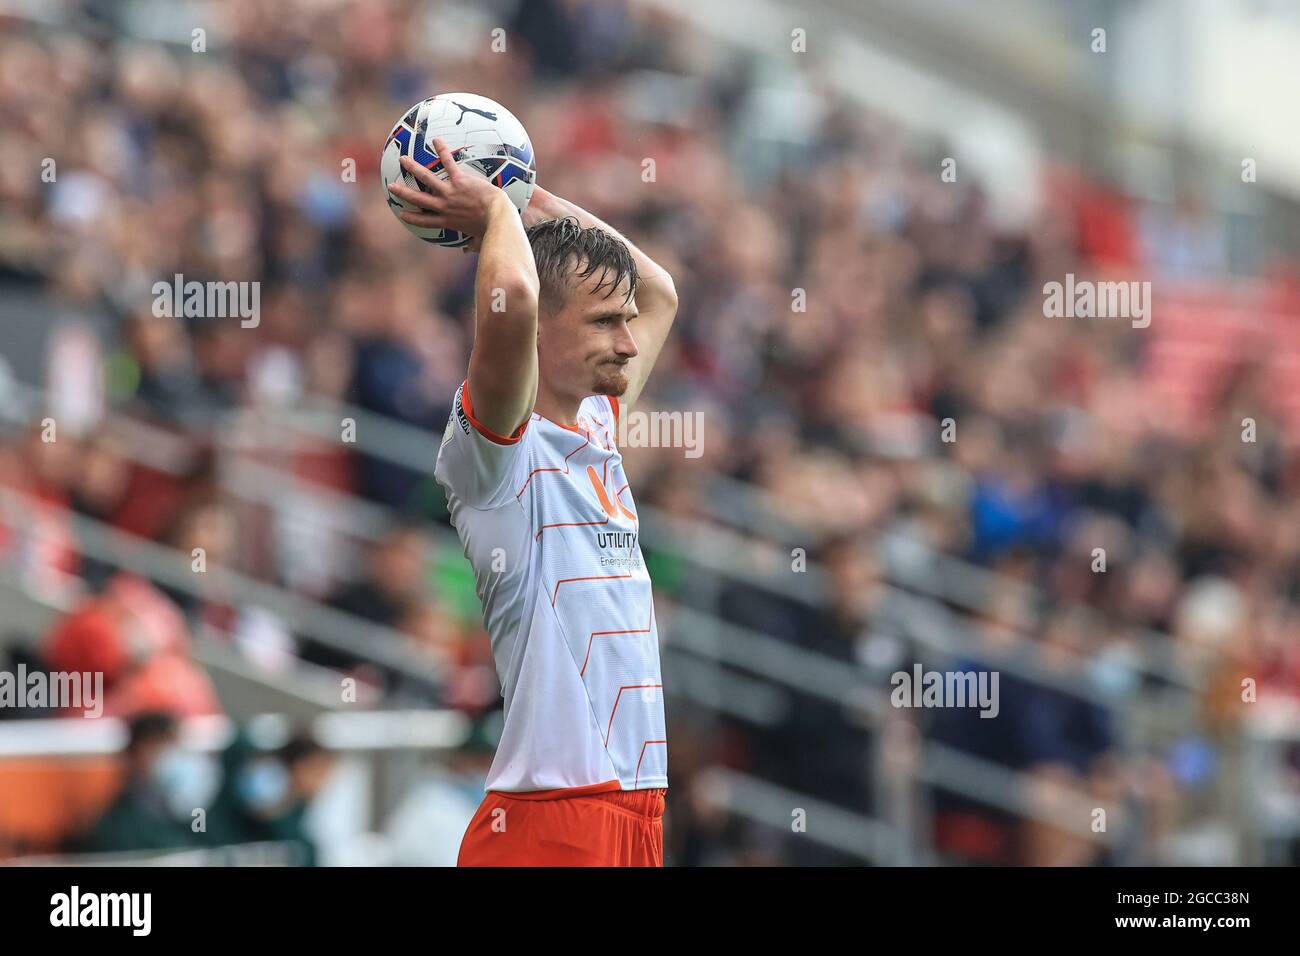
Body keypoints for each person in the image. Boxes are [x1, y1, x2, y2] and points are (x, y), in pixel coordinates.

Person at [388, 138, 678, 866]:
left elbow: (661, 290)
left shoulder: (595, 423)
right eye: (606, 322)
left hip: (634, 808)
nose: (630, 341)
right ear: (543, 334)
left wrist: (527, 198)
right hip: (550, 820)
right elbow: (514, 296)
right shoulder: (495, 453)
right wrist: (492, 213)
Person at [75, 711, 217, 855]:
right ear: (134, 757)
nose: (167, 757)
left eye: (173, 745)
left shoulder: (204, 811)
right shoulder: (116, 828)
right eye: (157, 747)